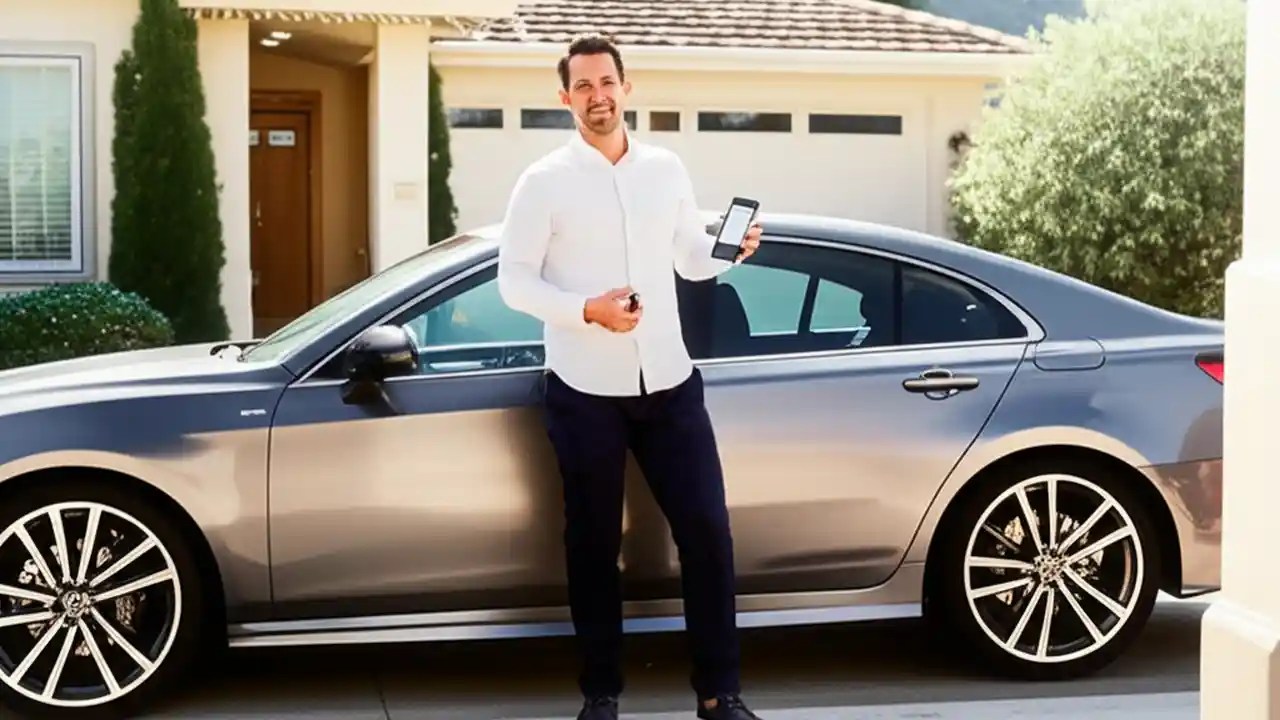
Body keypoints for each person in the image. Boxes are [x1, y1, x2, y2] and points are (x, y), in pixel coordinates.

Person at [497, 34, 763, 720]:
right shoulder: (543, 181)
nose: (597, 96)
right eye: (582, 86)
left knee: (706, 531)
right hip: (585, 391)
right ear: (565, 99)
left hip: (670, 383)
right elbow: (513, 282)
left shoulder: (666, 169)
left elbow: (690, 256)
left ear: (627, 86)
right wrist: (587, 310)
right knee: (592, 546)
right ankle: (602, 696)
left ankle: (719, 694)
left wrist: (731, 251)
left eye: (606, 82)